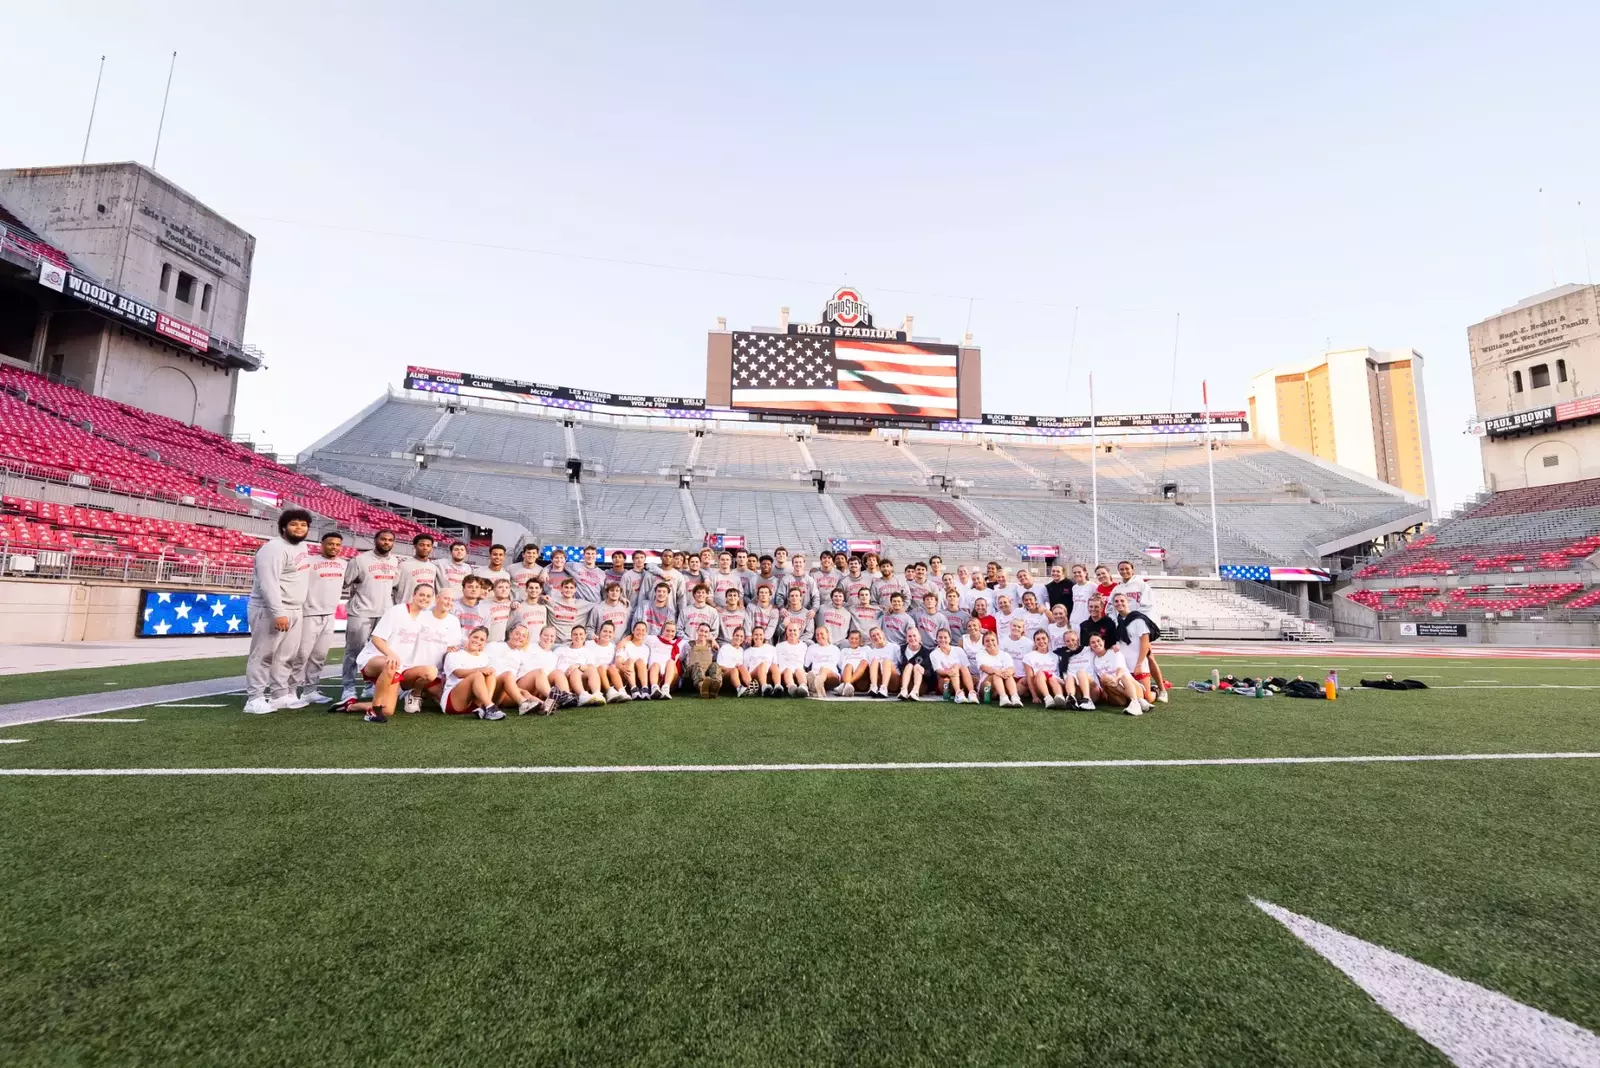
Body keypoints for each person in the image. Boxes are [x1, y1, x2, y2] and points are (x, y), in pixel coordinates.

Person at [244, 508, 315, 715]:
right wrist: (278, 612)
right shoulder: (273, 548)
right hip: (271, 609)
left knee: (287, 656)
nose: (299, 528)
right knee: (263, 655)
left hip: (295, 609)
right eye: (294, 524)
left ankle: (279, 695)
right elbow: (268, 584)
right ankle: (254, 698)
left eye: (303, 525)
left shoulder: (302, 546)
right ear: (283, 527)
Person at [340, 584, 441, 723]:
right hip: (375, 660)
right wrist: (390, 654)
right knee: (391, 664)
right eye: (421, 594)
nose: (425, 598)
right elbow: (376, 638)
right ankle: (374, 712)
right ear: (414, 595)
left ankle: (350, 706)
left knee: (388, 710)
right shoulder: (397, 611)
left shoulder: (425, 618)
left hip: (397, 667)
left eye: (429, 596)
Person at [339, 528, 398, 704]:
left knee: (378, 653)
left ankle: (370, 686)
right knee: (353, 652)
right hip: (361, 612)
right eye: (383, 539)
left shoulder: (395, 561)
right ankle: (348, 688)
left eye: (390, 540)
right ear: (375, 540)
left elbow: (393, 587)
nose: (386, 543)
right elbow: (346, 582)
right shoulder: (360, 560)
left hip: (384, 614)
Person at [288, 530, 345, 705]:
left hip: (329, 615)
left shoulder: (344, 564)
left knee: (319, 656)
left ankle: (310, 691)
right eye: (330, 544)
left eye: (337, 544)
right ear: (322, 544)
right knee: (301, 655)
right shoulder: (310, 562)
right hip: (309, 613)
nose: (334, 547)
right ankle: (289, 692)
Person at [441, 627, 505, 719]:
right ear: (469, 637)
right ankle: (490, 707)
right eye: (475, 637)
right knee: (478, 675)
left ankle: (485, 707)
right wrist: (479, 669)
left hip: (474, 704)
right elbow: (458, 673)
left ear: (484, 643)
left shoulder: (484, 657)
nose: (477, 641)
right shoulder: (454, 654)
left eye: (482, 640)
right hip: (453, 702)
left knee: (491, 673)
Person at [1111, 591, 1163, 705]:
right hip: (1124, 667)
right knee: (1130, 697)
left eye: (1122, 601)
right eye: (1116, 601)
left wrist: (1139, 664)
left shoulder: (1138, 620)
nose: (1119, 603)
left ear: (1128, 603)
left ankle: (1156, 691)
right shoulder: (1116, 622)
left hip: (1138, 665)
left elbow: (1145, 644)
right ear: (1113, 605)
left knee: (1146, 699)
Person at [487, 623, 544, 715]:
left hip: (507, 692)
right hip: (492, 688)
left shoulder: (520, 654)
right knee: (508, 675)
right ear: (510, 634)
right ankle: (523, 704)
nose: (520, 637)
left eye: (523, 636)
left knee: (524, 692)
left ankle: (544, 705)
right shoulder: (494, 646)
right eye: (517, 634)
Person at [1085, 632, 1148, 715]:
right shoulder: (1094, 660)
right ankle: (1136, 701)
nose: (1096, 644)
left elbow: (1120, 668)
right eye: (1093, 642)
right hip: (1118, 695)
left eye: (1098, 641)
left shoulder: (1114, 652)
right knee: (1104, 677)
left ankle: (1135, 702)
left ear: (1103, 641)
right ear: (1090, 646)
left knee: (1123, 675)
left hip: (1131, 686)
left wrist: (1116, 678)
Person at [556, 624, 605, 706]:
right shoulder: (561, 650)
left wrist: (578, 666)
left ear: (585, 636)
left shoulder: (588, 651)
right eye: (575, 634)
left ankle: (597, 694)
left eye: (581, 634)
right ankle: (582, 697)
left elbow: (591, 666)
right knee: (575, 671)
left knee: (591, 670)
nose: (578, 636)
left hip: (581, 679)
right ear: (571, 636)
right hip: (564, 678)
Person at [974, 629, 1022, 707]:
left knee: (1008, 675)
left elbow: (1012, 669)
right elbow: (984, 668)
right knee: (995, 674)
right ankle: (1003, 698)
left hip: (1002, 685)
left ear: (997, 642)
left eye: (993, 640)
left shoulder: (1005, 655)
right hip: (986, 688)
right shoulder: (980, 654)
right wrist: (999, 672)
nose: (990, 643)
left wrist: (1007, 672)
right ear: (983, 644)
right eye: (987, 641)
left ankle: (1015, 698)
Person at [1023, 629, 1068, 708]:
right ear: (1034, 642)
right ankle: (1048, 699)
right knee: (1040, 673)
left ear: (1048, 640)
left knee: (1052, 678)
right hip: (1039, 686)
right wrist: (1034, 696)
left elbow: (1059, 674)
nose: (1041, 641)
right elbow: (1029, 679)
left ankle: (1060, 698)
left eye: (1043, 638)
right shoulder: (1029, 656)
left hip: (1054, 684)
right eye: (1038, 639)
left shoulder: (1056, 655)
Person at [931, 628, 977, 704]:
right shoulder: (933, 654)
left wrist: (956, 667)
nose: (943, 640)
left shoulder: (958, 650)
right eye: (940, 637)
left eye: (945, 637)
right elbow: (938, 670)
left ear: (950, 639)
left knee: (962, 667)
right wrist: (949, 671)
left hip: (961, 680)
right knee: (953, 669)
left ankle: (972, 693)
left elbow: (966, 667)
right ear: (936, 639)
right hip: (945, 682)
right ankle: (958, 693)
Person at [394, 534, 441, 608]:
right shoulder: (403, 565)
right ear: (415, 546)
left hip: (427, 609)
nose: (425, 548)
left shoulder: (433, 567)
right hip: (407, 607)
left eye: (428, 546)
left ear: (432, 548)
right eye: (422, 545)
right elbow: (393, 587)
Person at [590, 619, 630, 702]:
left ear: (613, 634)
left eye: (610, 632)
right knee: (601, 667)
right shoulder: (589, 644)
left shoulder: (614, 647)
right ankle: (609, 692)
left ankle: (622, 691)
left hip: (610, 675)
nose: (607, 634)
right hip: (595, 674)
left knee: (612, 667)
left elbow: (619, 662)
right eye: (605, 631)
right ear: (599, 632)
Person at [1055, 631, 1097, 711]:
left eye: (1073, 640)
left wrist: (1113, 646)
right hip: (1076, 689)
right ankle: (1071, 699)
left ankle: (1087, 699)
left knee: (1080, 672)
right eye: (1067, 641)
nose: (1071, 643)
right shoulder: (1063, 654)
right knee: (1069, 677)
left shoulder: (1088, 650)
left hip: (1092, 688)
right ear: (1064, 642)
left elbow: (1101, 647)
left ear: (1078, 639)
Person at [615, 620, 653, 700]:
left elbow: (645, 666)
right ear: (633, 631)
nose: (640, 632)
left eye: (643, 630)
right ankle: (633, 689)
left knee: (640, 661)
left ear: (646, 633)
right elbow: (618, 661)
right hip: (626, 673)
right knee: (630, 660)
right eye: (638, 629)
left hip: (639, 676)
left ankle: (645, 689)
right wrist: (622, 667)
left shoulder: (646, 648)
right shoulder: (626, 644)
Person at [683, 622, 722, 698]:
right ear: (697, 631)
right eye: (701, 631)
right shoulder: (688, 645)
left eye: (706, 632)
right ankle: (702, 686)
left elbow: (717, 660)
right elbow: (681, 658)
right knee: (698, 665)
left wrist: (714, 642)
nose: (703, 633)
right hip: (691, 677)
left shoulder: (711, 647)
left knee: (715, 665)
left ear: (709, 634)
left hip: (706, 675)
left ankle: (715, 686)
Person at [645, 619, 682, 698]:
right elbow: (637, 635)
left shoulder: (679, 643)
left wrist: (711, 640)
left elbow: (696, 641)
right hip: (654, 674)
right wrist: (625, 640)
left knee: (671, 662)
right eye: (667, 630)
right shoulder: (653, 639)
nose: (670, 633)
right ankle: (654, 688)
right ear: (663, 630)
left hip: (670, 678)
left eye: (672, 631)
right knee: (655, 664)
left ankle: (666, 689)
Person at [546, 576, 588, 643]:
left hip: (572, 641)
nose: (568, 590)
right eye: (566, 587)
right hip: (554, 641)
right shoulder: (552, 601)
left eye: (571, 588)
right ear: (561, 589)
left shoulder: (582, 604)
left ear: (575, 590)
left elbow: (598, 606)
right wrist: (542, 597)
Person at [773, 621, 810, 697]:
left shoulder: (804, 646)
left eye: (794, 630)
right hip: (784, 672)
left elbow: (806, 663)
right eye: (790, 630)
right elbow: (776, 663)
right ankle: (791, 687)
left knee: (799, 670)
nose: (792, 632)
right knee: (788, 670)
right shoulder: (779, 646)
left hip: (799, 673)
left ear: (799, 631)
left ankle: (803, 687)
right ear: (786, 632)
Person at [863, 626, 901, 698]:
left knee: (886, 661)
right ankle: (873, 686)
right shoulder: (871, 652)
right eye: (873, 636)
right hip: (879, 681)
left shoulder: (894, 647)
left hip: (894, 680)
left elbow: (901, 664)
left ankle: (884, 688)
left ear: (883, 634)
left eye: (878, 634)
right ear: (871, 639)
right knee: (874, 660)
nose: (876, 637)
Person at [805, 625, 842, 697]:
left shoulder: (835, 649)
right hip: (815, 674)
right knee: (812, 674)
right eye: (817, 634)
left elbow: (841, 666)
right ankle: (817, 687)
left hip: (832, 677)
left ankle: (818, 683)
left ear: (827, 634)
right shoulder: (812, 648)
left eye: (822, 634)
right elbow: (806, 666)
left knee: (823, 669)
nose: (819, 636)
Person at [717, 625, 753, 696]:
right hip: (725, 676)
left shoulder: (742, 650)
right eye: (737, 635)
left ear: (744, 638)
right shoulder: (725, 648)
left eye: (741, 636)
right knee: (734, 669)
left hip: (738, 676)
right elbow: (719, 667)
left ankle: (751, 686)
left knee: (741, 667)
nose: (739, 638)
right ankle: (739, 689)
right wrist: (733, 669)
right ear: (733, 636)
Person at [897, 628, 932, 700]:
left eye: (914, 636)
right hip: (904, 682)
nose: (912, 638)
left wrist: (924, 671)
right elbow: (897, 666)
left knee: (917, 666)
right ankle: (903, 691)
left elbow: (930, 674)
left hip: (920, 685)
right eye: (909, 636)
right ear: (906, 638)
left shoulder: (926, 653)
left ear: (920, 638)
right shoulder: (901, 650)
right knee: (909, 665)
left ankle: (915, 692)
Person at [744, 625, 777, 696]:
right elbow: (745, 670)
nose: (758, 637)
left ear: (764, 636)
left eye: (761, 635)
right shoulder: (747, 652)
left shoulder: (772, 649)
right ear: (752, 636)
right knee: (762, 665)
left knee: (774, 666)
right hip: (754, 677)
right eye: (756, 635)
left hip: (768, 675)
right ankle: (763, 687)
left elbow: (776, 666)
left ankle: (778, 687)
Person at [837, 629, 871, 696]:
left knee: (864, 662)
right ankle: (848, 685)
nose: (854, 641)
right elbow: (840, 666)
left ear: (860, 639)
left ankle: (846, 685)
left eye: (856, 639)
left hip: (861, 680)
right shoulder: (844, 651)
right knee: (848, 665)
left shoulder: (866, 649)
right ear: (848, 639)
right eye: (851, 638)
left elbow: (871, 664)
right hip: (846, 676)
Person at [484, 577, 516, 642]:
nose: (504, 589)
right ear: (494, 589)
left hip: (503, 643)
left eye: (507, 587)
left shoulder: (512, 605)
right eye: (500, 587)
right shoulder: (484, 604)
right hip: (486, 642)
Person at [1068, 564, 1095, 629]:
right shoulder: (1074, 587)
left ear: (1085, 573)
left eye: (1079, 572)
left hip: (1087, 621)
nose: (1077, 574)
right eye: (1074, 572)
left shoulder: (1093, 586)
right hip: (1074, 621)